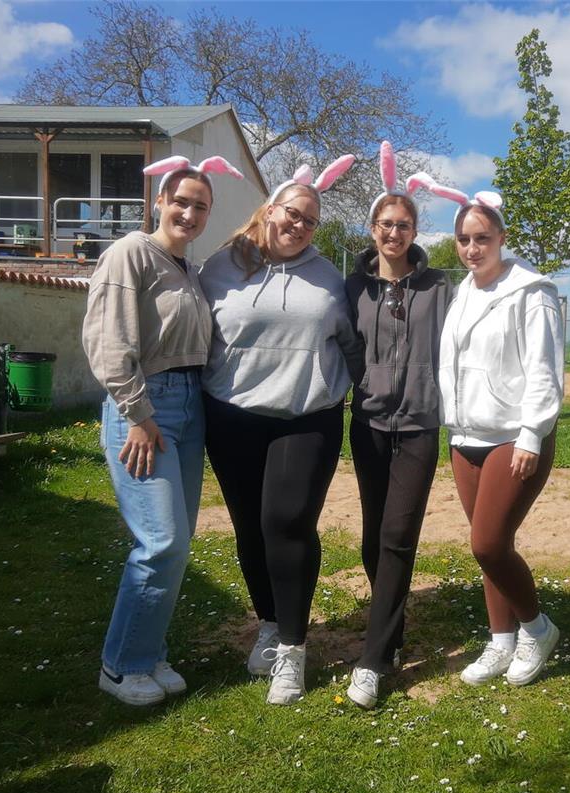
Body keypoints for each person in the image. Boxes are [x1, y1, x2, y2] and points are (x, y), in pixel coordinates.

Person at [198, 156, 363, 705]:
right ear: (269, 211)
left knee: (286, 522)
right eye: (292, 213)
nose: (300, 225)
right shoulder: (219, 267)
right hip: (232, 414)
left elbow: (353, 345)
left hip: (306, 417)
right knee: (249, 527)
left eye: (310, 220)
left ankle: (293, 649)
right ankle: (268, 623)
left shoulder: (329, 279)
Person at [83, 154, 244, 706]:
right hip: (146, 407)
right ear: (159, 201)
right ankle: (120, 664)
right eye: (181, 201)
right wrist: (138, 416)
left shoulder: (189, 270)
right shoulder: (131, 253)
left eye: (201, 205)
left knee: (178, 540)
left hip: (189, 404)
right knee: (161, 540)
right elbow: (108, 344)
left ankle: (148, 653)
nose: (190, 212)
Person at [433, 182, 564, 687]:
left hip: (513, 435)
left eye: (482, 238)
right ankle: (501, 642)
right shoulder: (462, 291)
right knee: (493, 542)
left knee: (487, 545)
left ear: (501, 237)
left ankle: (538, 629)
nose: (471, 249)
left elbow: (544, 370)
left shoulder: (531, 291)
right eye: (463, 239)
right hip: (466, 436)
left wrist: (532, 433)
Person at [343, 144, 452, 709]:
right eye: (385, 224)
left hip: (417, 427)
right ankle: (394, 622)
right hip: (366, 424)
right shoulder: (353, 288)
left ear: (414, 230)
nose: (394, 233)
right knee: (371, 533)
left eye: (403, 225)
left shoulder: (437, 289)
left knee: (397, 534)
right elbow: (339, 347)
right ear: (372, 228)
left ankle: (374, 660)